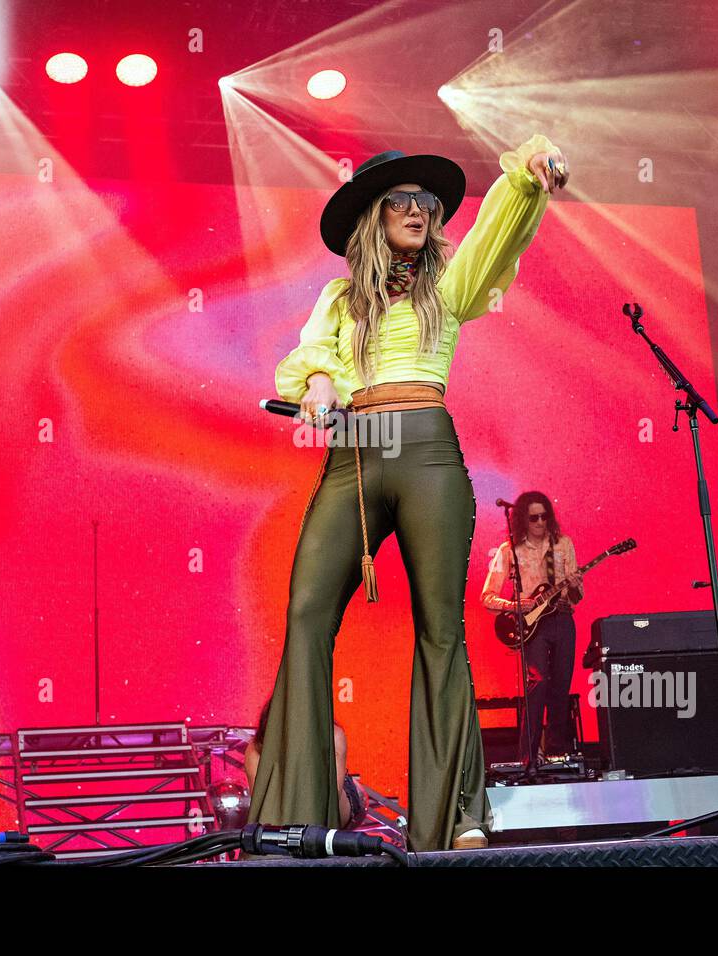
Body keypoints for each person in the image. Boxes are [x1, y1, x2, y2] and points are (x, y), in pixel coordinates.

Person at [249, 133, 569, 852]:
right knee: (305, 614)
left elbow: (494, 245)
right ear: (374, 213)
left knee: (440, 631)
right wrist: (322, 387)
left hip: (424, 446)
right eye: (403, 201)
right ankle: (295, 814)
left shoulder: (447, 283)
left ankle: (458, 817)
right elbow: (312, 359)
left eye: (427, 201)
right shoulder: (340, 297)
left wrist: (523, 180)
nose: (420, 210)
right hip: (355, 453)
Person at [480, 491, 583, 765]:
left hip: (561, 618)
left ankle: (556, 753)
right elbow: (487, 598)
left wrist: (574, 585)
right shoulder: (509, 550)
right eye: (534, 517)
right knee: (537, 686)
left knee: (560, 688)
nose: (540, 522)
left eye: (544, 516)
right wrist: (517, 605)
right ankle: (529, 758)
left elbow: (577, 597)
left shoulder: (563, 545)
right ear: (523, 520)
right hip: (531, 625)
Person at [244, 697, 366, 829]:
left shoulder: (333, 735)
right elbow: (263, 807)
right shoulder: (257, 748)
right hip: (287, 799)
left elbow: (328, 803)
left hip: (342, 800)